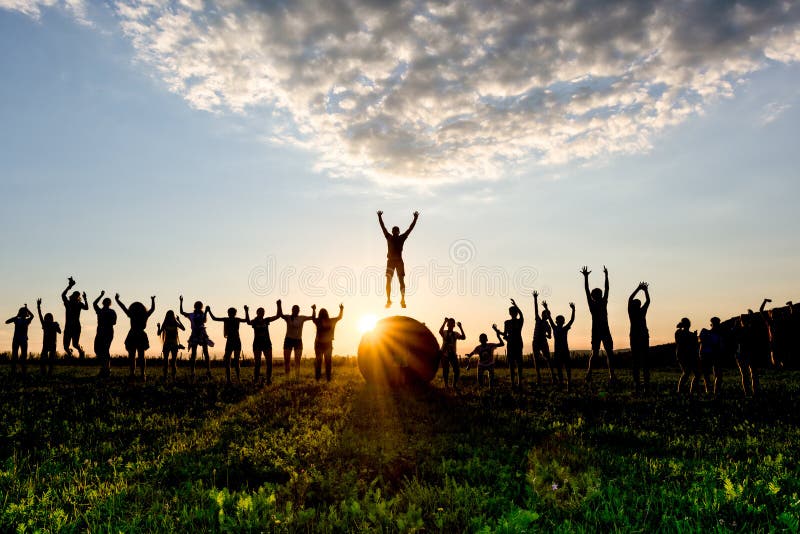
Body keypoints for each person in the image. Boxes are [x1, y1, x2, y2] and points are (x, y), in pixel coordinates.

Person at [580, 266, 617, 384]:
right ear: (594, 296)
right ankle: (590, 373)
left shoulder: (601, 302)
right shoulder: (594, 303)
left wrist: (606, 276)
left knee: (607, 353)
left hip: (603, 330)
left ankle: (610, 375)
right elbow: (588, 290)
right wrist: (586, 277)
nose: (599, 295)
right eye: (598, 294)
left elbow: (606, 288)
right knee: (596, 353)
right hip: (598, 330)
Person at [377, 210, 419, 308]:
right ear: (392, 232)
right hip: (391, 262)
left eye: (396, 231)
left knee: (401, 281)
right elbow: (383, 227)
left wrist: (415, 218)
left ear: (398, 232)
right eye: (394, 231)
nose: (395, 232)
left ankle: (403, 300)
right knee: (388, 281)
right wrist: (379, 217)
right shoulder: (389, 237)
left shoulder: (401, 238)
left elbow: (410, 229)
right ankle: (388, 300)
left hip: (399, 262)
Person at [116, 294, 156, 381]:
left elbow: (123, 308)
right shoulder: (144, 314)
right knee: (141, 356)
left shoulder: (132, 314)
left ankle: (133, 374)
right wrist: (152, 300)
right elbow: (153, 309)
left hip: (133, 335)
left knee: (132, 356)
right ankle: (142, 374)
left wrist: (117, 300)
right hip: (140, 335)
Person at [208, 305, 249, 385]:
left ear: (230, 313)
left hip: (232, 341)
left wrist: (209, 311)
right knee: (234, 361)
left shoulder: (228, 319)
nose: (230, 314)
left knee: (229, 361)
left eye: (230, 312)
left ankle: (231, 379)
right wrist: (246, 311)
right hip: (235, 341)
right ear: (235, 313)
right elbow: (246, 320)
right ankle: (234, 379)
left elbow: (214, 318)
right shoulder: (235, 319)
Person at [247, 300, 282, 385]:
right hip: (257, 344)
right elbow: (248, 322)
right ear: (257, 313)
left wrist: (278, 305)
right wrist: (246, 311)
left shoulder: (266, 320)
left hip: (267, 343)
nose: (262, 313)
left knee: (269, 363)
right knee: (257, 363)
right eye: (260, 312)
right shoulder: (254, 321)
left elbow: (278, 316)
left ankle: (268, 380)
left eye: (263, 312)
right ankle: (256, 380)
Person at [180, 296, 214, 381]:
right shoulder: (193, 315)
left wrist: (206, 311)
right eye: (198, 306)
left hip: (200, 333)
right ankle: (195, 372)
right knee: (198, 354)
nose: (198, 307)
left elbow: (204, 321)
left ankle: (204, 371)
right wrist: (181, 302)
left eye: (199, 306)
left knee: (202, 353)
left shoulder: (195, 314)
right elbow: (182, 312)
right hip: (197, 333)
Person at [628, 282, 651, 394]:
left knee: (637, 363)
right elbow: (648, 301)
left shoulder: (632, 312)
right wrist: (644, 290)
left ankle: (638, 386)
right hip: (642, 337)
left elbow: (630, 298)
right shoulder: (641, 312)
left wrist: (639, 288)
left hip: (636, 337)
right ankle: (645, 386)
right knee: (644, 363)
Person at [281, 304, 315, 379]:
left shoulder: (301, 318)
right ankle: (287, 378)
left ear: (299, 311)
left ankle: (297, 377)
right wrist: (279, 305)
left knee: (297, 361)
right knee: (287, 361)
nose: (296, 311)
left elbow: (312, 317)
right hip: (288, 340)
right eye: (294, 309)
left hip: (298, 340)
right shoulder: (288, 317)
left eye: (297, 309)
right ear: (292, 310)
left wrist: (313, 309)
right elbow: (280, 315)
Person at [465, 325, 504, 390]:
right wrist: (469, 355)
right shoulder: (478, 348)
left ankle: (490, 389)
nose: (482, 340)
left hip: (490, 364)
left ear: (486, 339)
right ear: (480, 340)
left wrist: (498, 337)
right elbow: (472, 353)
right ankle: (482, 389)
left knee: (491, 378)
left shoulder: (491, 345)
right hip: (481, 365)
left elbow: (502, 344)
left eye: (484, 338)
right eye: (481, 338)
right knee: (479, 378)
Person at [311, 304, 344, 381]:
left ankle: (318, 379)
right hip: (326, 344)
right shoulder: (331, 321)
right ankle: (327, 379)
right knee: (327, 362)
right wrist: (341, 309)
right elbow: (340, 317)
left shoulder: (318, 321)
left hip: (320, 344)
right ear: (327, 314)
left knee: (320, 362)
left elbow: (313, 318)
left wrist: (313, 310)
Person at [547, 302, 575, 390]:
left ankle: (566, 383)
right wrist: (573, 310)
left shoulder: (558, 328)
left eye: (561, 320)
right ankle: (566, 383)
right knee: (564, 368)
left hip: (561, 351)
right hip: (562, 351)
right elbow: (571, 320)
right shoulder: (562, 328)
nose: (560, 321)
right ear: (562, 322)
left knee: (563, 368)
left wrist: (573, 310)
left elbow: (549, 317)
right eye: (560, 320)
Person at [498, 298, 525, 388]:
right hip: (511, 344)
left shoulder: (519, 321)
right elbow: (505, 334)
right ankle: (513, 383)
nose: (514, 313)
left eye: (515, 312)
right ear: (510, 313)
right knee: (512, 364)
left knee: (519, 363)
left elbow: (521, 314)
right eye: (512, 312)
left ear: (516, 313)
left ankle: (519, 382)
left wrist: (516, 305)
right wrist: (497, 331)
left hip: (518, 343)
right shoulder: (507, 322)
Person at [61, 277, 88, 358]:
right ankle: (70, 355)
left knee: (75, 344)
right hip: (68, 326)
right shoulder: (68, 303)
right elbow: (63, 295)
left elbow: (86, 308)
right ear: (72, 296)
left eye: (77, 295)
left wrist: (85, 299)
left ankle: (81, 351)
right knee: (66, 346)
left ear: (77, 297)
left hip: (75, 326)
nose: (75, 296)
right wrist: (69, 286)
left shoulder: (79, 304)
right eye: (74, 294)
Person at [734, 313, 760, 397]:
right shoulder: (751, 329)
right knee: (753, 374)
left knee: (745, 375)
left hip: (742, 354)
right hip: (749, 353)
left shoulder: (738, 330)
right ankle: (755, 392)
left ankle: (748, 393)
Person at [93, 291, 117, 377]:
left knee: (104, 350)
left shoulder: (106, 311)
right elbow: (94, 303)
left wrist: (101, 295)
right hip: (102, 332)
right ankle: (105, 368)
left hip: (107, 332)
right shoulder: (102, 311)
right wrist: (101, 295)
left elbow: (114, 322)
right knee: (99, 350)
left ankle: (106, 369)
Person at [531, 292, 554, 385]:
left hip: (543, 342)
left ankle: (553, 376)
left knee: (548, 359)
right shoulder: (538, 319)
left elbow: (550, 336)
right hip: (536, 341)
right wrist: (535, 298)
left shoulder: (548, 325)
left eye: (547, 315)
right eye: (545, 314)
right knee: (536, 360)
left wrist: (545, 336)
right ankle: (539, 378)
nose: (546, 315)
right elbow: (536, 309)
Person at [6, 304, 34, 375]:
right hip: (17, 340)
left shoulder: (27, 321)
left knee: (23, 356)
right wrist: (16, 317)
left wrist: (27, 309)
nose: (24, 314)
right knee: (15, 355)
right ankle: (14, 371)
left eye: (25, 312)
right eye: (22, 312)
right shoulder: (17, 320)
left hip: (23, 340)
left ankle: (23, 371)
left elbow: (32, 316)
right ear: (20, 313)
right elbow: (7, 322)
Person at [699, 317, 724, 396]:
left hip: (708, 354)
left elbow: (701, 342)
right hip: (712, 354)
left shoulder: (705, 332)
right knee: (716, 374)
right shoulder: (717, 334)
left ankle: (710, 391)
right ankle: (714, 391)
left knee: (709, 374)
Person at [157, 310, 185, 381]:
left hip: (168, 344)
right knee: (172, 361)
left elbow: (158, 333)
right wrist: (179, 320)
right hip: (173, 344)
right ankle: (172, 377)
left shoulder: (166, 323)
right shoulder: (174, 323)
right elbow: (183, 328)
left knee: (167, 361)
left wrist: (159, 327)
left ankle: (166, 376)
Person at [439, 317, 466, 389]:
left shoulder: (456, 334)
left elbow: (463, 337)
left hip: (453, 354)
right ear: (447, 325)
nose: (450, 325)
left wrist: (460, 327)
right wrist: (444, 322)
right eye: (449, 323)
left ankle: (454, 385)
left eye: (452, 324)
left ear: (454, 325)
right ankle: (446, 385)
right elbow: (440, 331)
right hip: (444, 354)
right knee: (446, 370)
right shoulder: (444, 332)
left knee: (457, 370)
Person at [675, 318, 700, 394]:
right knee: (688, 373)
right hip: (684, 355)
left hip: (686, 355)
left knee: (690, 373)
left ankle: (684, 391)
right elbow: (689, 343)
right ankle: (684, 390)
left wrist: (694, 337)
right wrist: (694, 337)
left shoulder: (679, 332)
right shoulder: (680, 333)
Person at [36, 298, 61, 376]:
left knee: (50, 360)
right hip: (47, 344)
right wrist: (38, 306)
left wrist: (56, 326)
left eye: (47, 318)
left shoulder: (52, 324)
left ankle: (48, 373)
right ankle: (45, 373)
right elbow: (40, 315)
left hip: (51, 344)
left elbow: (60, 331)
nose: (46, 319)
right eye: (46, 318)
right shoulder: (45, 324)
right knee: (45, 360)